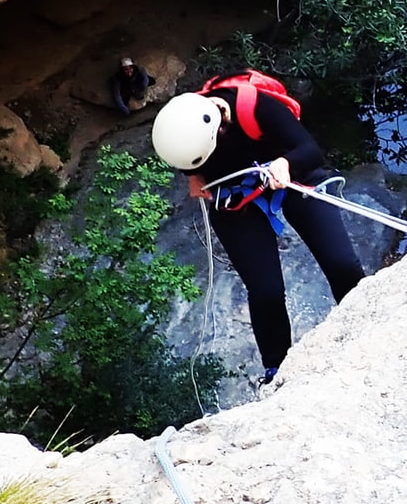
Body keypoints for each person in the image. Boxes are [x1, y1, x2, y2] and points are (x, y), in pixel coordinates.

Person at [150, 73, 366, 385]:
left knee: (340, 262)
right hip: (235, 194)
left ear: (220, 129)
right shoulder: (186, 136)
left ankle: (367, 317)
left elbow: (310, 150)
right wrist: (198, 177)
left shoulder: (254, 107)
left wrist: (286, 163)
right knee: (266, 291)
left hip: (291, 174)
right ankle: (277, 369)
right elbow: (195, 170)